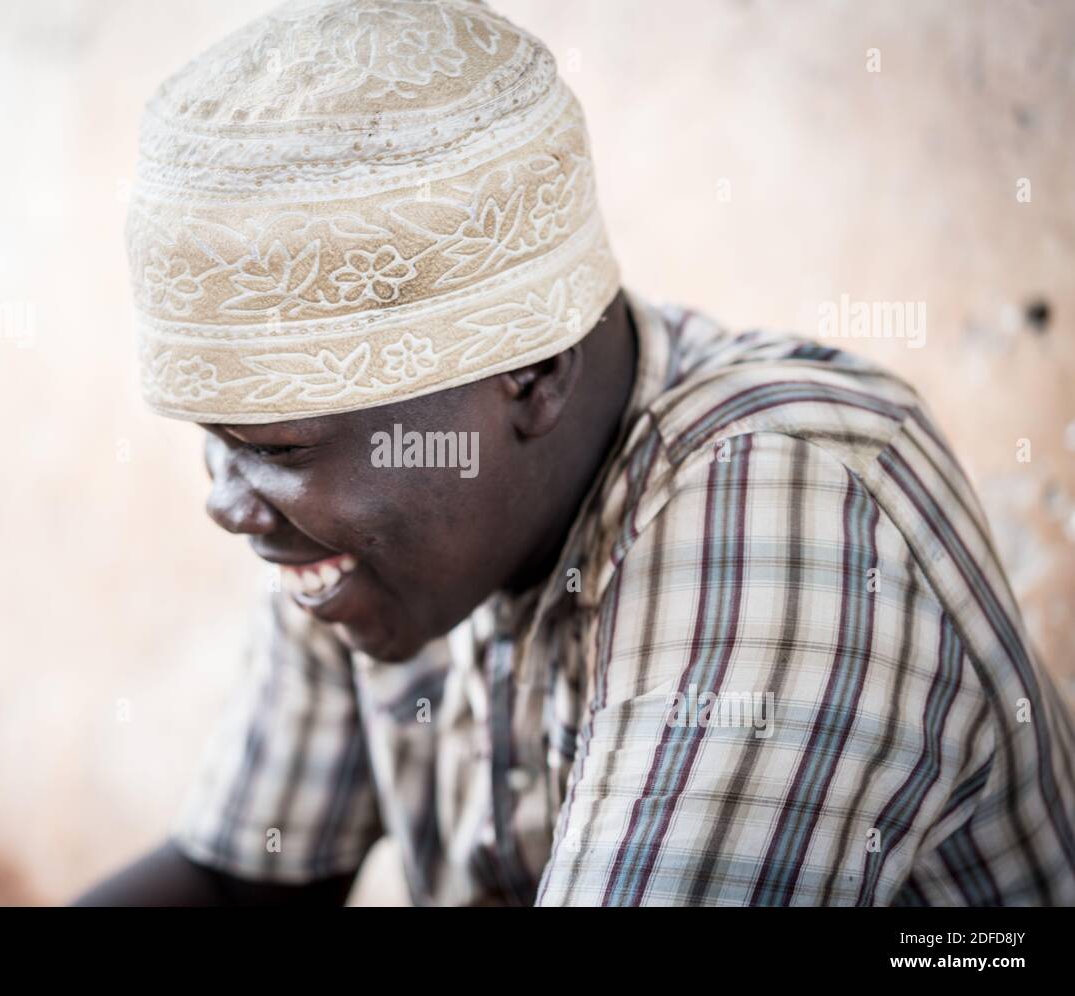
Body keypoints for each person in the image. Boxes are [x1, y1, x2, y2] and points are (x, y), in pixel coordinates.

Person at [76, 0, 1075, 906]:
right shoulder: (359, 540)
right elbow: (243, 882)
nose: (230, 503)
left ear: (531, 371)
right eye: (218, 443)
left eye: (276, 447)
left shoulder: (780, 497)